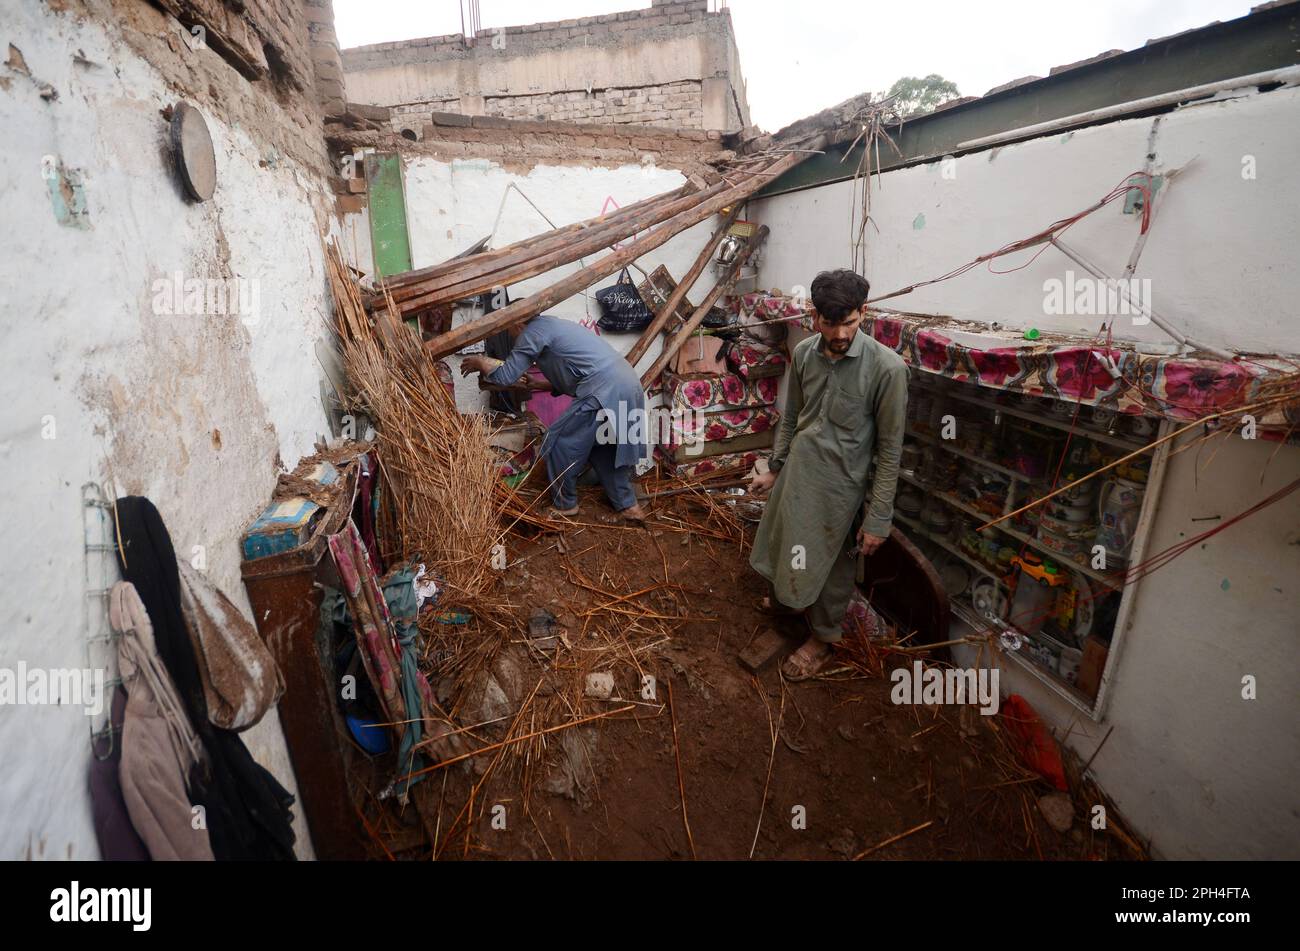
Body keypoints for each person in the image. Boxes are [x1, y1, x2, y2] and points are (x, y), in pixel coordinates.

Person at [748, 270, 908, 679]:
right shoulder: (803, 353)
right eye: (829, 322)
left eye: (849, 322)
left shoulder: (887, 370)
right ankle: (787, 600)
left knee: (834, 565)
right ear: (812, 314)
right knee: (786, 541)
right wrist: (775, 467)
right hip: (799, 471)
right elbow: (792, 419)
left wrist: (878, 518)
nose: (839, 333)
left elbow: (890, 450)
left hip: (842, 488)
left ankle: (822, 639)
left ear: (864, 312)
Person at [460, 314, 649, 521]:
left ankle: (565, 505)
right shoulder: (553, 325)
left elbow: (507, 376)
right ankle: (629, 506)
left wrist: (480, 361)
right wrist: (539, 384)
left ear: (517, 322)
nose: (512, 336)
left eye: (510, 330)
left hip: (603, 389)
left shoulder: (532, 332)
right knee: (603, 448)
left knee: (558, 441)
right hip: (627, 385)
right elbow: (577, 373)